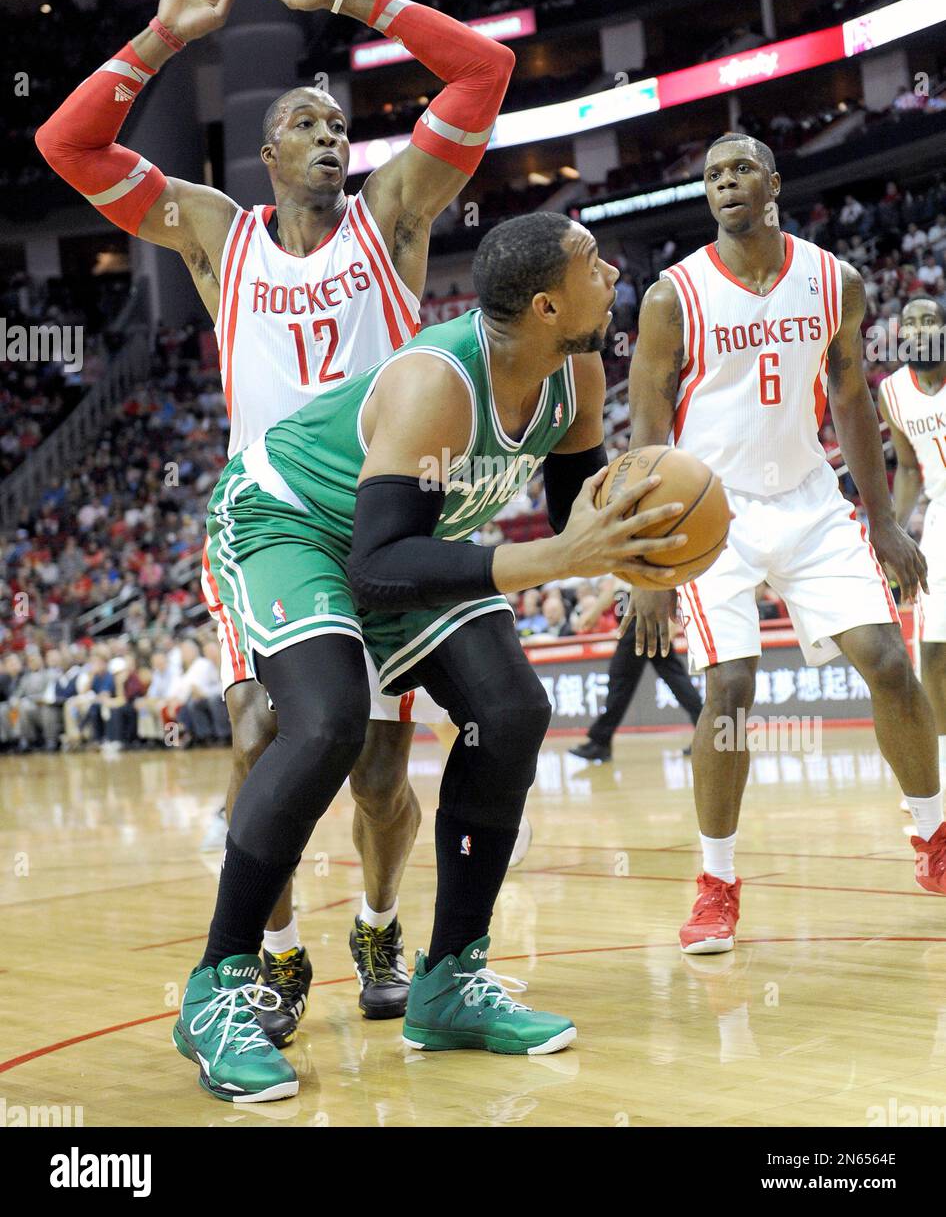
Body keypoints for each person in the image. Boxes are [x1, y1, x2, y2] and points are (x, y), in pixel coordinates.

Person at [35, 0, 521, 1037]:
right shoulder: (215, 231)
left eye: (338, 124)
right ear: (264, 153)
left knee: (381, 771)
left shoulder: (393, 217)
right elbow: (67, 147)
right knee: (265, 737)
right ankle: (279, 950)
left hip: (388, 526)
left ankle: (384, 922)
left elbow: (484, 69)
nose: (326, 136)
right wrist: (158, 38)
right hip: (273, 530)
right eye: (302, 122)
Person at [173, 210, 692, 1101]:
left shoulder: (577, 371)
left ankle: (448, 980)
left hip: (399, 539)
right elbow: (377, 569)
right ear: (542, 304)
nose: (612, 270)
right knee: (328, 722)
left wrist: (645, 553)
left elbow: (577, 513)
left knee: (514, 708)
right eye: (590, 263)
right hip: (288, 521)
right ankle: (215, 989)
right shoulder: (437, 382)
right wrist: (550, 561)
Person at [626, 132, 944, 957]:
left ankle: (933, 837)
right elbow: (646, 439)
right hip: (710, 518)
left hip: (810, 501)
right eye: (710, 175)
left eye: (738, 169)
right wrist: (646, 565)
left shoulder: (836, 281)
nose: (724, 183)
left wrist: (880, 522)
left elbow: (850, 401)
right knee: (730, 693)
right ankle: (717, 883)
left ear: (772, 182)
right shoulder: (673, 296)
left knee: (888, 663)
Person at [877, 298, 946, 775]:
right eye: (912, 323)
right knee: (934, 646)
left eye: (930, 321)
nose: (920, 330)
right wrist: (894, 533)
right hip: (939, 519)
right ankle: (940, 767)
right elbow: (906, 468)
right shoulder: (893, 391)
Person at [569, 578, 702, 760]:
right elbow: (615, 588)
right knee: (674, 676)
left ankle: (600, 742)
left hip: (639, 614)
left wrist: (594, 613)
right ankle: (707, 730)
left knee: (621, 682)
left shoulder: (632, 557)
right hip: (647, 612)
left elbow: (619, 587)